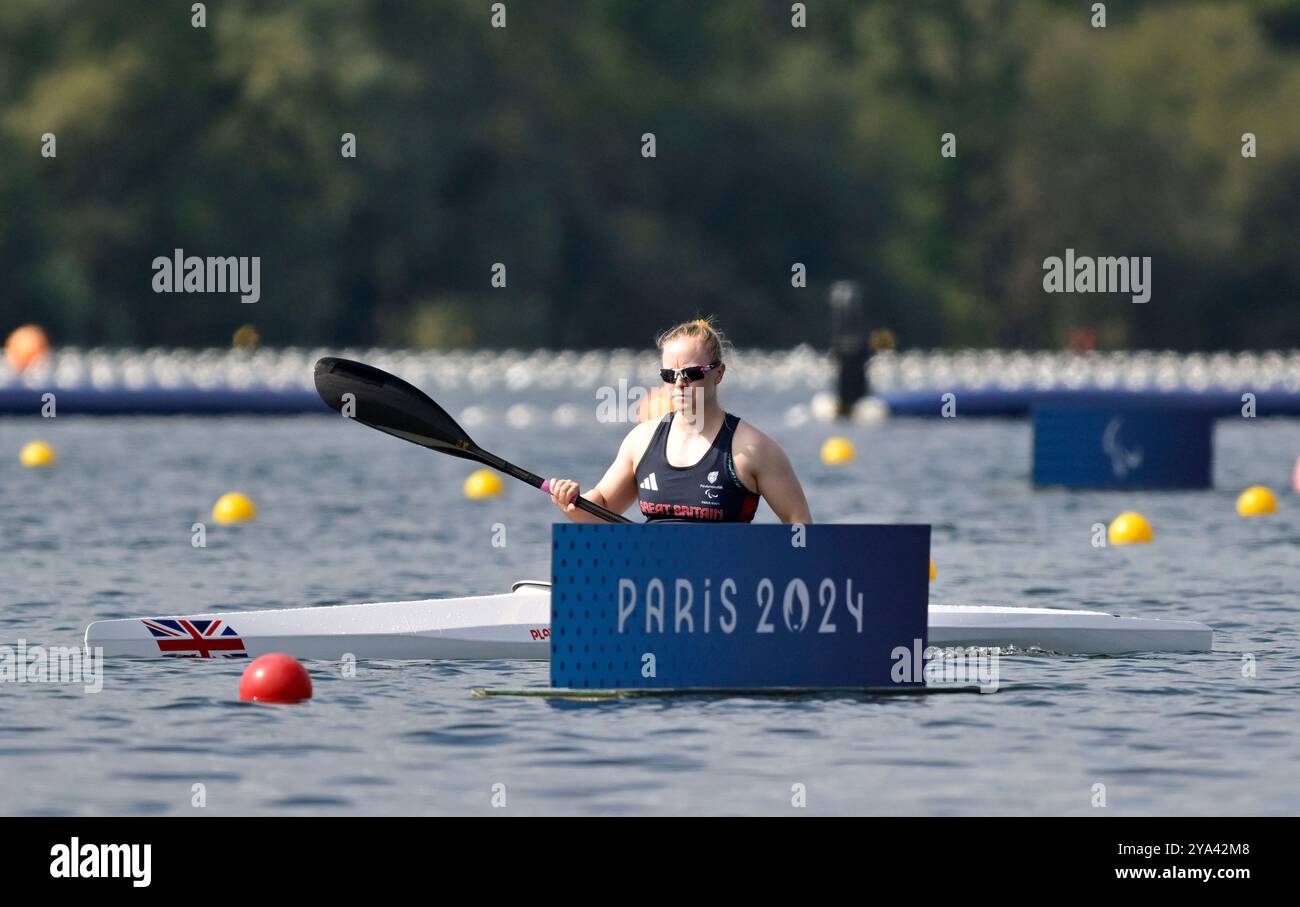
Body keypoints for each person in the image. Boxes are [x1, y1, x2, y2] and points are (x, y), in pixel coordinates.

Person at [549, 318, 813, 524]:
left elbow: (798, 525)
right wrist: (570, 501)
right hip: (655, 580)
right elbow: (602, 508)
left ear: (718, 374)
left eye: (690, 374)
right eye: (669, 374)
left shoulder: (755, 450)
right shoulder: (640, 441)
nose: (679, 384)